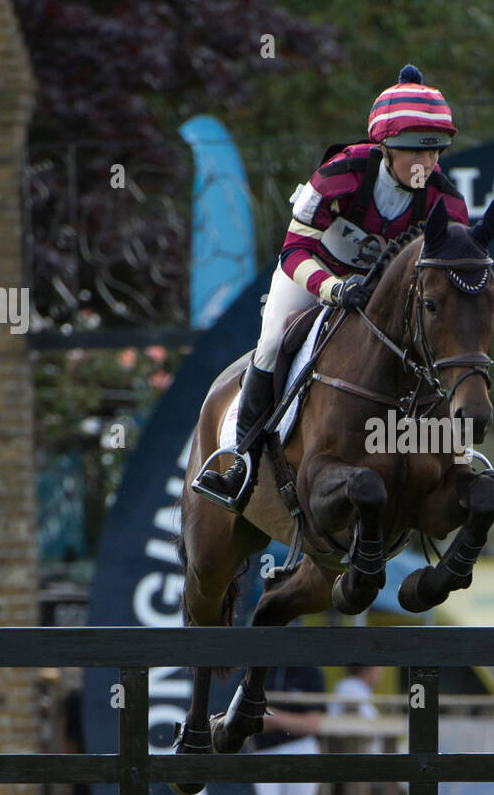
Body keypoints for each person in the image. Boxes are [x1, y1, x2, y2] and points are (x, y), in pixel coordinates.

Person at [198, 63, 470, 510]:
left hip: (382, 295)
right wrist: (333, 289)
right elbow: (292, 251)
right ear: (384, 147)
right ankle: (239, 460)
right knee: (271, 344)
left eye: (435, 153)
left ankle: (451, 452)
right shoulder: (340, 174)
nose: (426, 166)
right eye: (413, 153)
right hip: (313, 273)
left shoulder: (445, 198)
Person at [251, 664, 326, 795]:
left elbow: (313, 723)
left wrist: (274, 716)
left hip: (300, 748)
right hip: (263, 751)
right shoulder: (255, 667)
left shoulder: (309, 671)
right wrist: (287, 720)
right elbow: (249, 719)